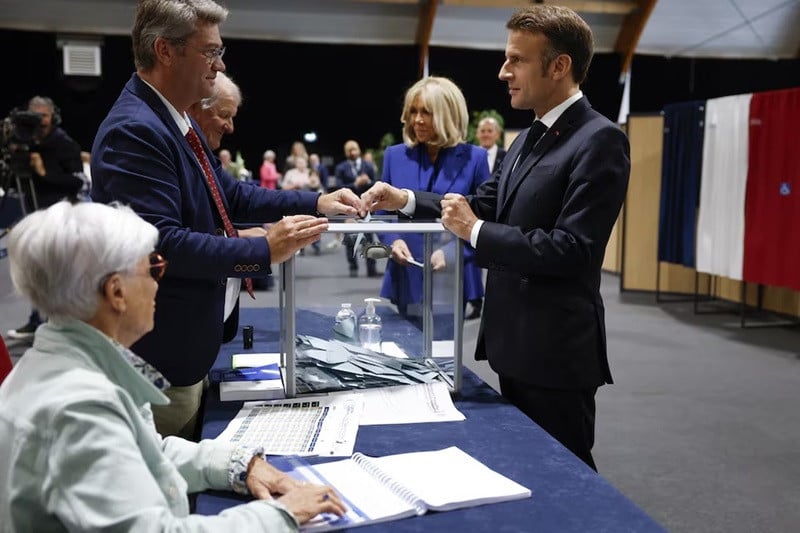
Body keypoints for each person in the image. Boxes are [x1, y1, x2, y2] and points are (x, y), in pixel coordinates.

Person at [362, 5, 630, 470]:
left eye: (516, 60)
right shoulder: (526, 137)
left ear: (559, 65)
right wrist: (403, 199)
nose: (503, 72)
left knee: (565, 474)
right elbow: (479, 202)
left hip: (555, 351)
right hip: (513, 343)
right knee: (525, 467)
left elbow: (574, 250)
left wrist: (475, 231)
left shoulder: (599, 139)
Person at [90, 0, 361, 440]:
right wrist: (263, 250)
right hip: (156, 360)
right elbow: (164, 245)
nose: (220, 65)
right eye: (210, 52)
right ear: (165, 50)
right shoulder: (135, 129)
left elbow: (229, 194)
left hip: (184, 350)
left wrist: (317, 201)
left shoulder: (174, 115)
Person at [0, 201, 345, 530]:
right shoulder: (79, 409)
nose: (157, 283)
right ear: (116, 292)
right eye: (152, 269)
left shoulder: (66, 364)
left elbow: (143, 448)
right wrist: (281, 515)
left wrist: (238, 466)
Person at [377, 76, 490, 318]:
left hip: (451, 276)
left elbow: (485, 220)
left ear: (449, 114)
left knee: (446, 351)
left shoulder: (475, 158)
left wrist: (450, 253)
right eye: (413, 111)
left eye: (426, 112)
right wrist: (394, 241)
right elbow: (380, 214)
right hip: (405, 274)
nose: (417, 120)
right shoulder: (394, 156)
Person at [6, 95, 83, 341]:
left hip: (60, 217)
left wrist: (43, 172)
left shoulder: (64, 145)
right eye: (34, 116)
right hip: (32, 213)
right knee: (35, 267)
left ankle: (64, 325)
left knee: (59, 272)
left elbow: (78, 182)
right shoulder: (23, 143)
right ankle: (36, 320)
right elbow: (11, 180)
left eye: (44, 116)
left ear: (54, 117)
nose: (39, 122)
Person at [335, 139, 379, 277]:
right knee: (350, 238)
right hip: (349, 208)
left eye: (354, 149)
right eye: (349, 150)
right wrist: (355, 184)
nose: (352, 152)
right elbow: (338, 187)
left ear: (359, 150)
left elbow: (377, 184)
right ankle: (353, 267)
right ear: (346, 153)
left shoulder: (368, 166)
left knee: (369, 238)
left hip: (367, 207)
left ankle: (371, 268)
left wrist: (368, 181)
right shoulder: (341, 168)